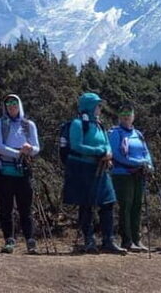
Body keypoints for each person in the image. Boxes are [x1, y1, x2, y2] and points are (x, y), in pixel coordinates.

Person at [62, 92, 125, 255]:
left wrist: (107, 152)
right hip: (83, 168)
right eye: (98, 105)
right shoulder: (77, 124)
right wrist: (99, 151)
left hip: (101, 168)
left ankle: (108, 240)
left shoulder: (99, 125)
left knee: (108, 202)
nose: (100, 108)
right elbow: (76, 146)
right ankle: (89, 240)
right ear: (89, 106)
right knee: (86, 204)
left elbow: (107, 144)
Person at [0, 94, 41, 254]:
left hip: (24, 170)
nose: (11, 106)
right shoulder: (0, 123)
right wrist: (18, 153)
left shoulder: (28, 125)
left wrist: (30, 150)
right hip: (4, 170)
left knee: (25, 207)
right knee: (6, 207)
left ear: (19, 104)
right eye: (8, 103)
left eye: (14, 102)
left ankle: (30, 240)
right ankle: (9, 240)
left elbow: (36, 147)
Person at [108, 104, 154, 253]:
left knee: (137, 206)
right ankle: (127, 240)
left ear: (133, 116)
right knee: (126, 206)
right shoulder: (115, 133)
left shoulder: (138, 134)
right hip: (122, 174)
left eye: (129, 114)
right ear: (119, 117)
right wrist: (138, 163)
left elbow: (145, 152)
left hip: (139, 174)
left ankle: (136, 238)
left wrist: (149, 165)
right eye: (124, 114)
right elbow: (116, 154)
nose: (127, 117)